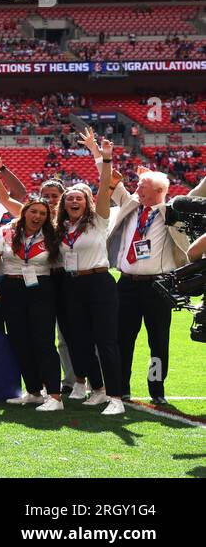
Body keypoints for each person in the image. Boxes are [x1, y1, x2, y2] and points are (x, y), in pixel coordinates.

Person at [107, 170, 190, 406]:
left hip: (158, 285)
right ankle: (122, 388)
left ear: (159, 191)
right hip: (126, 284)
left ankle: (157, 388)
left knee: (158, 342)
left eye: (143, 185)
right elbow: (114, 184)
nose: (138, 188)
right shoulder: (131, 206)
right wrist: (102, 157)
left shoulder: (172, 213)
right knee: (123, 338)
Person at [56, 139, 122, 415]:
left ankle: (116, 398)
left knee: (105, 339)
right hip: (72, 284)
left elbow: (105, 188)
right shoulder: (60, 228)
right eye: (69, 197)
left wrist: (105, 159)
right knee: (80, 340)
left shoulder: (98, 220)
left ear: (87, 202)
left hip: (98, 282)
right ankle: (98, 389)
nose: (74, 200)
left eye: (79, 197)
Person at [0, 196, 64, 411]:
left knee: (43, 341)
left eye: (43, 213)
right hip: (12, 288)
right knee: (19, 341)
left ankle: (55, 396)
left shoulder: (52, 235)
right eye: (33, 211)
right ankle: (34, 391)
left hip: (41, 289)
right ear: (24, 212)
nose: (37, 216)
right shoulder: (5, 232)